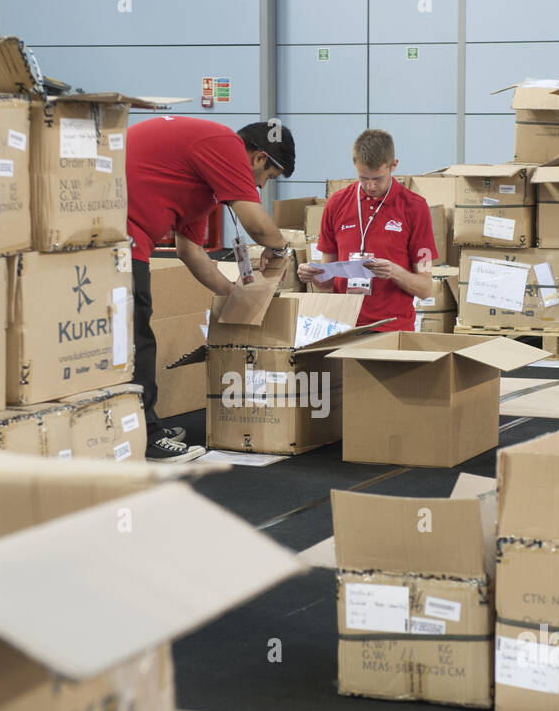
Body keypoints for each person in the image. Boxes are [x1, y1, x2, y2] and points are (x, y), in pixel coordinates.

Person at [126, 117, 296, 462]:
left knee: (134, 332)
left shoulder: (203, 184)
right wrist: (281, 249)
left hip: (128, 239)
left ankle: (141, 425)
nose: (262, 186)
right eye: (269, 177)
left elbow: (190, 252)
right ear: (259, 158)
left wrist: (236, 293)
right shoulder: (226, 146)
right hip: (118, 236)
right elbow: (257, 225)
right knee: (135, 337)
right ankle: (144, 435)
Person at [296, 129, 434, 331]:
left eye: (377, 178)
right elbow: (327, 284)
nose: (370, 186)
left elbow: (425, 288)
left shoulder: (415, 208)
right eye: (363, 178)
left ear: (394, 165)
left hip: (392, 329)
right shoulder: (336, 204)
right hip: (344, 326)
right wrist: (313, 275)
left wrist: (395, 272)